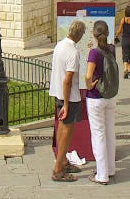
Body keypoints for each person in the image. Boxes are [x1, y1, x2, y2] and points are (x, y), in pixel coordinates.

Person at [48, 20, 87, 182]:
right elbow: (68, 79)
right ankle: (58, 169)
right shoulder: (73, 52)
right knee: (66, 130)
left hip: (59, 93)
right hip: (69, 97)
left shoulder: (60, 45)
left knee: (62, 128)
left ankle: (63, 160)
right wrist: (66, 103)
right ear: (80, 35)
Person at [85, 21, 117, 185]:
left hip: (96, 97)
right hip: (110, 95)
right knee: (110, 131)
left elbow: (88, 75)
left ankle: (102, 174)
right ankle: (110, 169)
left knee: (98, 134)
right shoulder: (112, 49)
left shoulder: (94, 53)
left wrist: (89, 85)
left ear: (94, 34)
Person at [114, 6, 130, 79]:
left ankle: (125, 69)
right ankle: (129, 70)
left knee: (125, 54)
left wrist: (116, 35)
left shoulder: (123, 20)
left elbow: (120, 30)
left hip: (125, 40)